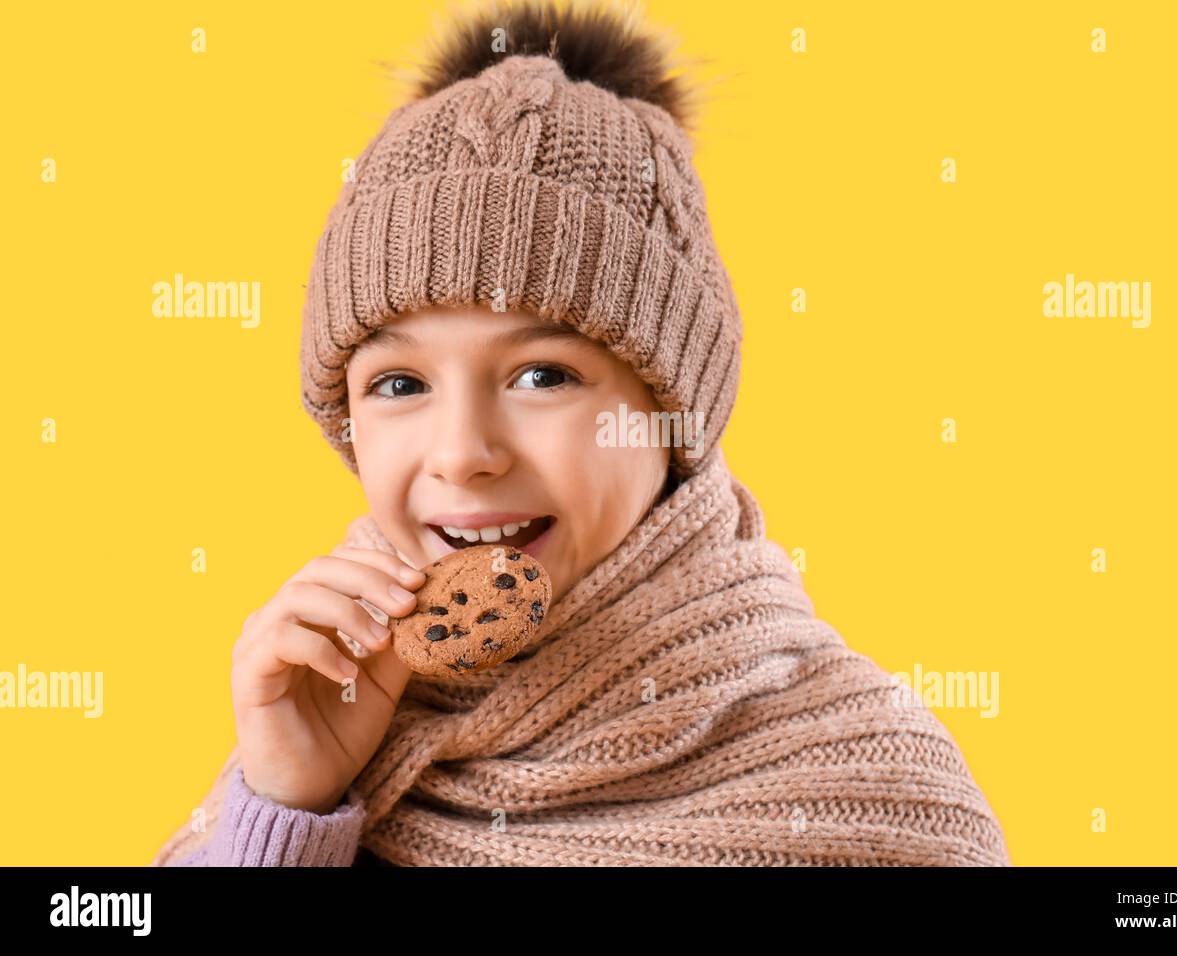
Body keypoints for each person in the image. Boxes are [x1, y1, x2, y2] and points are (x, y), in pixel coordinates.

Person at [152, 0, 1011, 867]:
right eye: (399, 383)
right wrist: (286, 814)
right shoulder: (321, 720)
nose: (460, 455)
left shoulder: (870, 796)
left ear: (674, 411)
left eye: (542, 377)